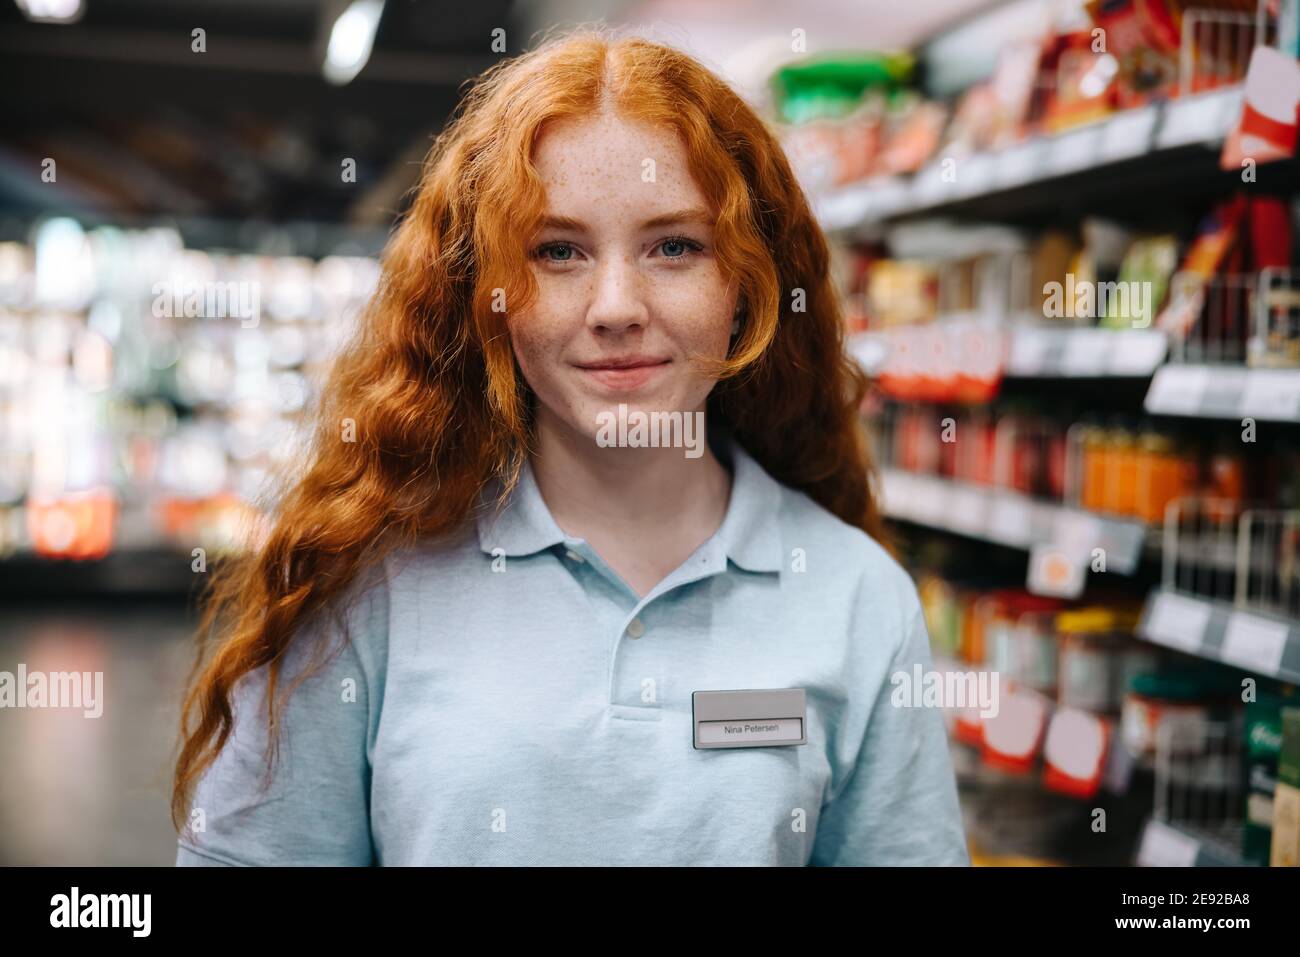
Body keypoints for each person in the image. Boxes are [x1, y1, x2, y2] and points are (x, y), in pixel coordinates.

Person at [171, 29, 969, 867]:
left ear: (749, 281)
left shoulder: (855, 598)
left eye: (675, 246)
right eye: (557, 251)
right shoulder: (366, 578)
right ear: (486, 292)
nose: (616, 305)